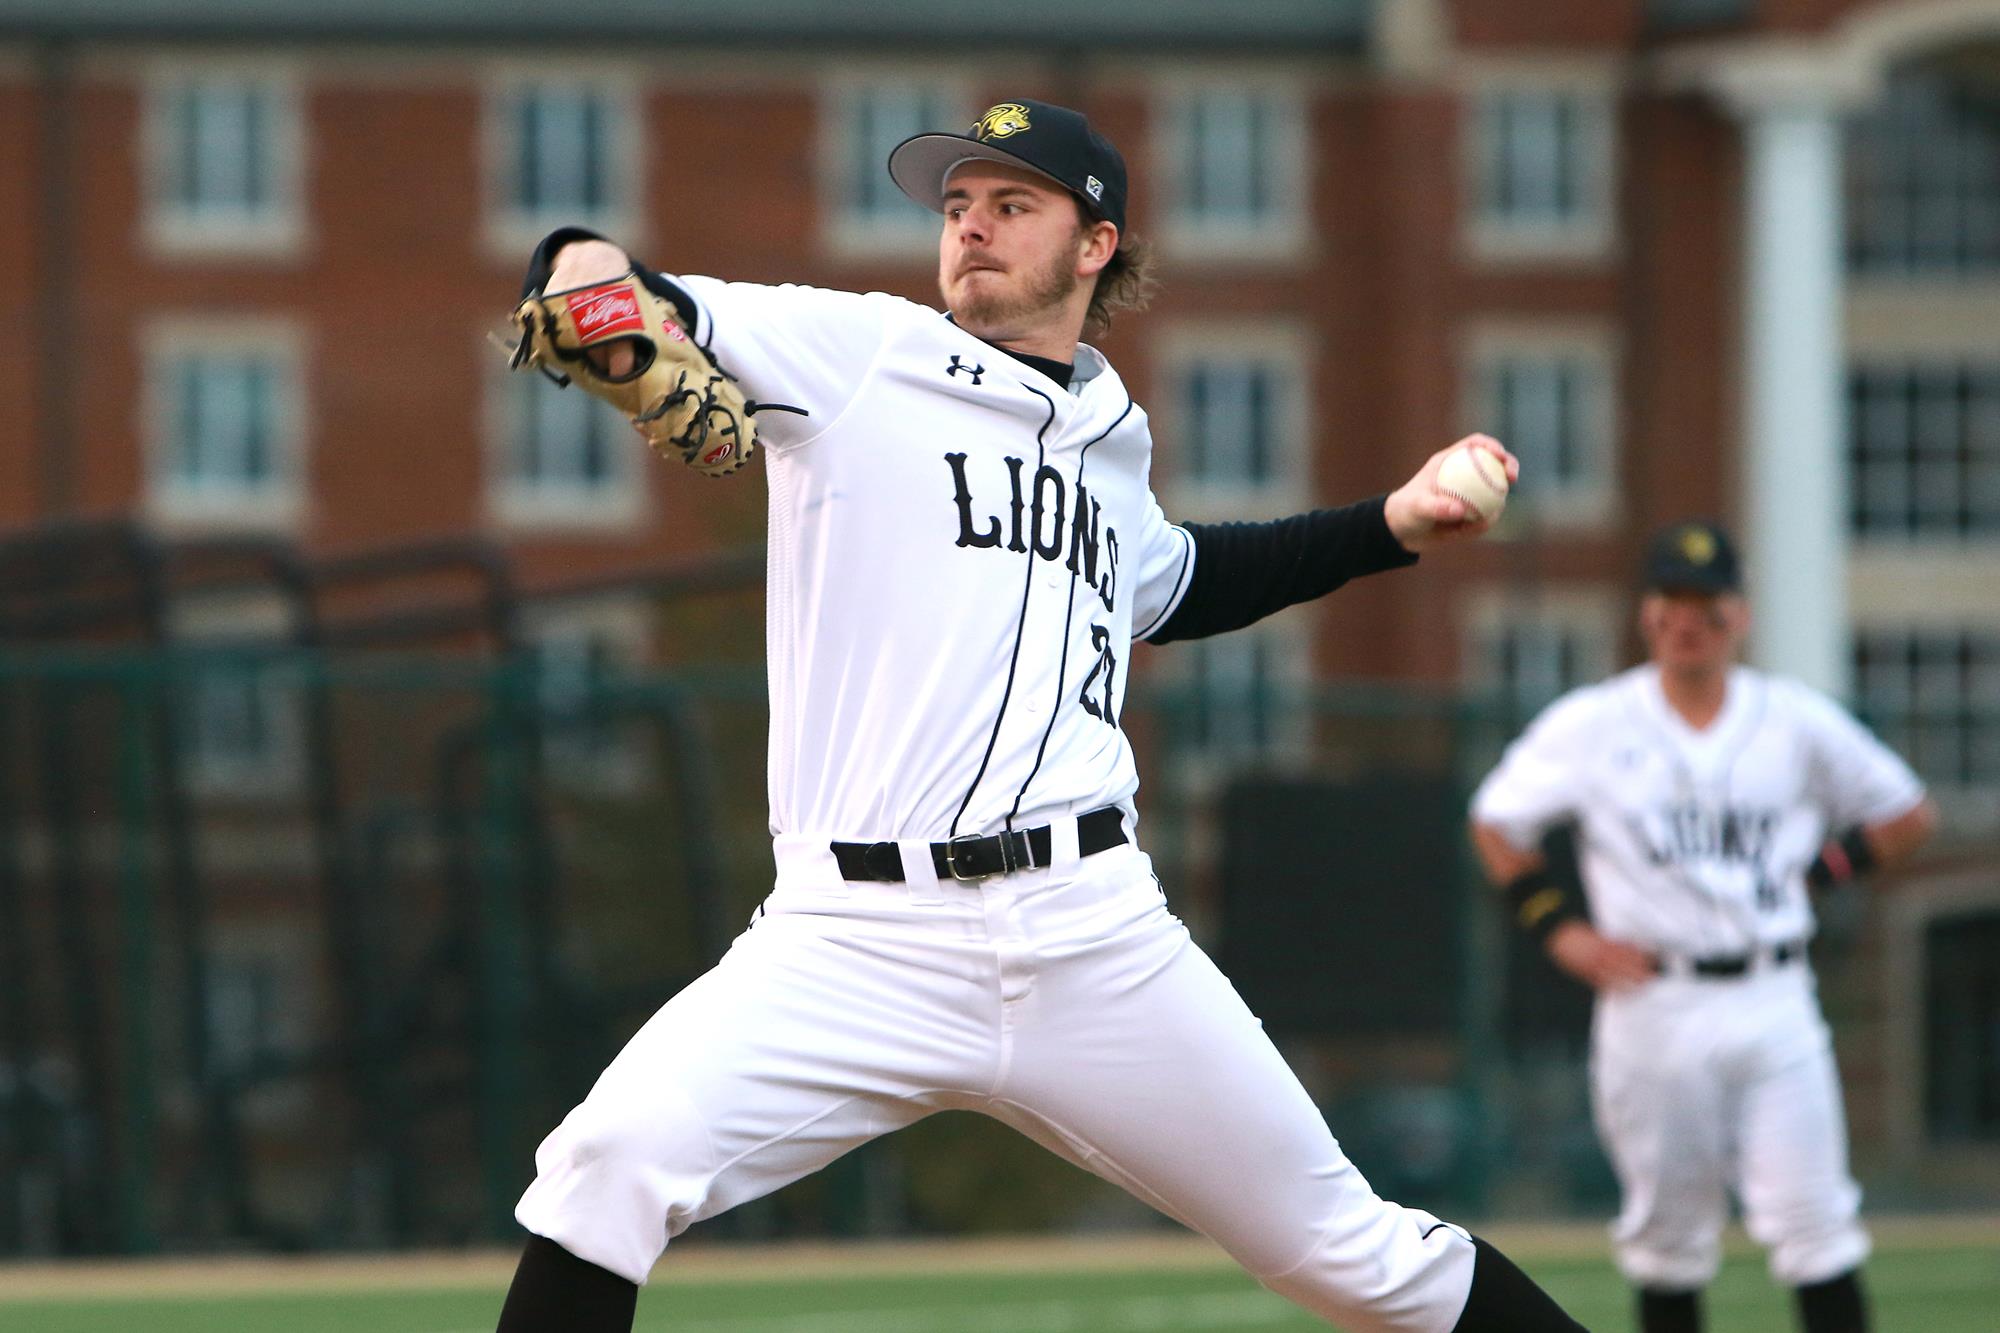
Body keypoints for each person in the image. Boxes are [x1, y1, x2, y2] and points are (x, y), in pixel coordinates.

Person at [494, 97, 1585, 1333]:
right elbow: (592, 275)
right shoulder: (860, 354)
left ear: (1094, 244)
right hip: (853, 938)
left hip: (1089, 933)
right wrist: (605, 307)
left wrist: (1387, 525)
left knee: (1351, 1255)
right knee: (608, 1166)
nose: (970, 227)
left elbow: (1182, 581)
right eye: (957, 206)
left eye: (1011, 205)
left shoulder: (1112, 438)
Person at [1468, 521, 1937, 1333]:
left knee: (1818, 1227)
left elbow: (1906, 812)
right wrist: (1558, 929)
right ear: (1648, 613)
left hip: (1773, 992)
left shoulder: (1791, 718)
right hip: (1655, 1000)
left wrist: (1823, 870)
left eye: (1707, 602)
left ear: (1739, 615)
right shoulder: (1595, 722)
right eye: (1673, 600)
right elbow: (1496, 822)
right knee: (1667, 1238)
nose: (1689, 619)